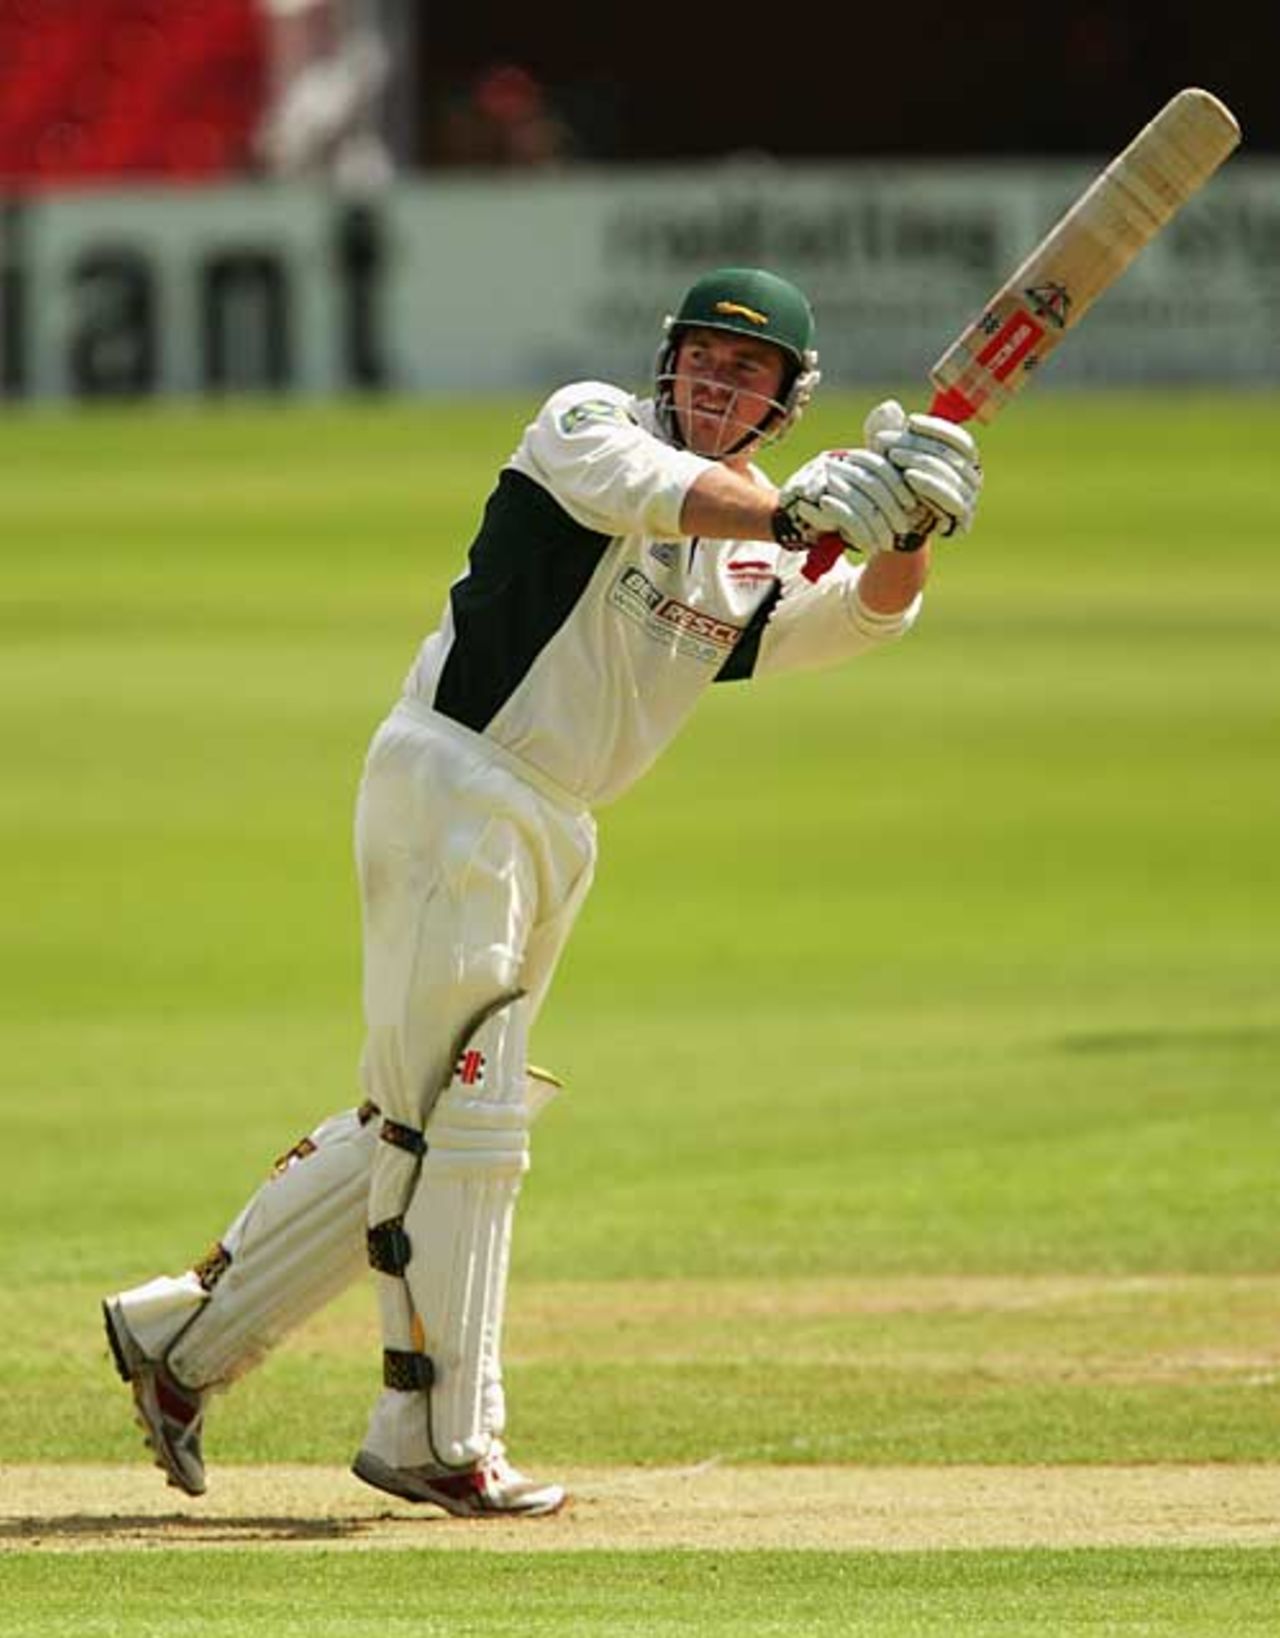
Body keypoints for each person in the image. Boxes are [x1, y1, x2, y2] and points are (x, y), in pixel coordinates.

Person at [102, 266, 982, 1518]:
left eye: (747, 371)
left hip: (554, 824)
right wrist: (792, 509)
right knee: (467, 1122)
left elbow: (851, 621)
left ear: (786, 399)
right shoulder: (587, 423)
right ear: (667, 360)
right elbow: (665, 494)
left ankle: (181, 1340)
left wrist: (908, 536)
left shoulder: (746, 556)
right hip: (457, 780)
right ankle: (436, 1434)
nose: (716, 382)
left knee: (422, 1113)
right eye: (702, 357)